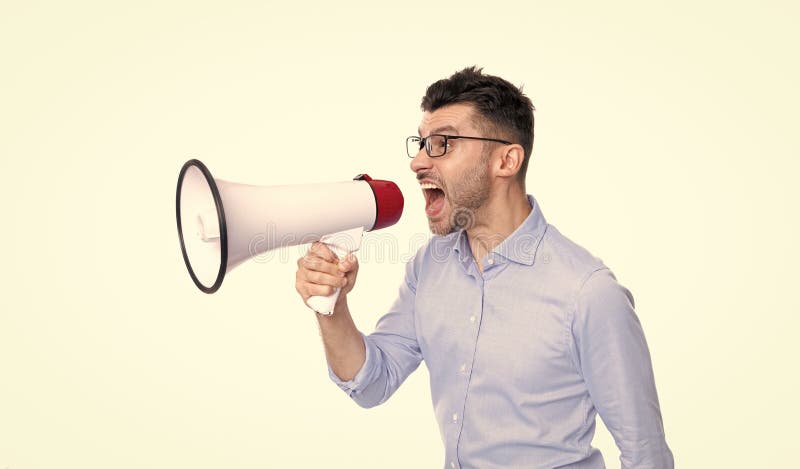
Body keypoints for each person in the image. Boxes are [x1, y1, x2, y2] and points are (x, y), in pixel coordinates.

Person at [295, 66, 674, 469]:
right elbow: (372, 383)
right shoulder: (430, 265)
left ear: (506, 160)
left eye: (442, 144)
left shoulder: (588, 292)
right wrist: (331, 306)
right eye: (421, 143)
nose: (417, 162)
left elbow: (645, 454)